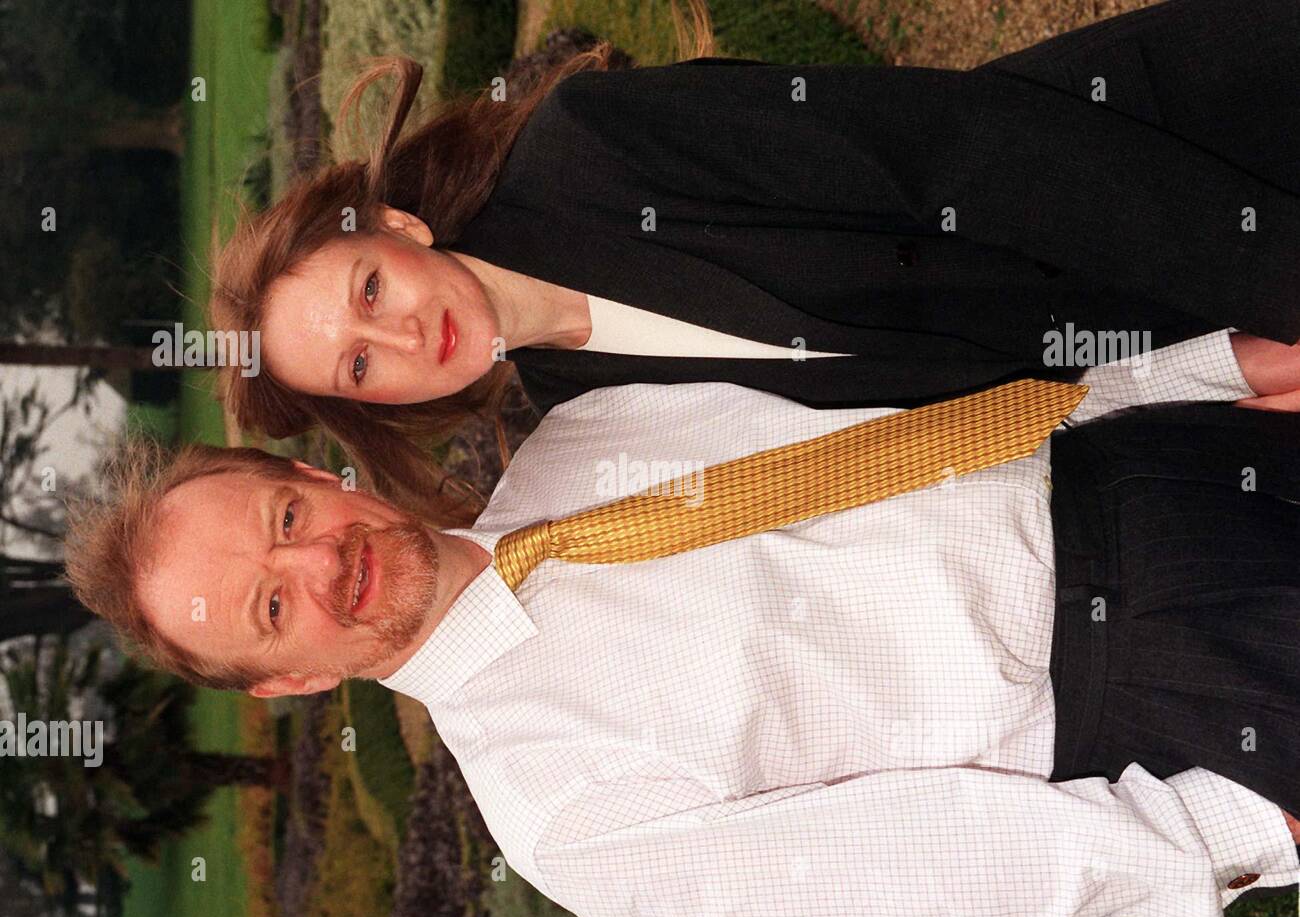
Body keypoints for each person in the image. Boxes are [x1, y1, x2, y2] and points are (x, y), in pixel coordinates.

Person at [66, 333, 1300, 917]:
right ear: (291, 681)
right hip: (1177, 683)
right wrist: (1239, 831)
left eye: (282, 524)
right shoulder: (565, 823)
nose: (315, 566)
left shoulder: (583, 435)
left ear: (301, 472)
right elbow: (931, 884)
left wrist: (1187, 380)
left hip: (1153, 463)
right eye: (269, 610)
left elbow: (915, 422)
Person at [210, 0, 1300, 526]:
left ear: (396, 230)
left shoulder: (592, 147)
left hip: (1201, 166)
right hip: (1205, 341)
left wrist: (1269, 283)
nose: (399, 336)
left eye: (368, 292)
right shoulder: (593, 416)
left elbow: (964, 153)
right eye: (358, 365)